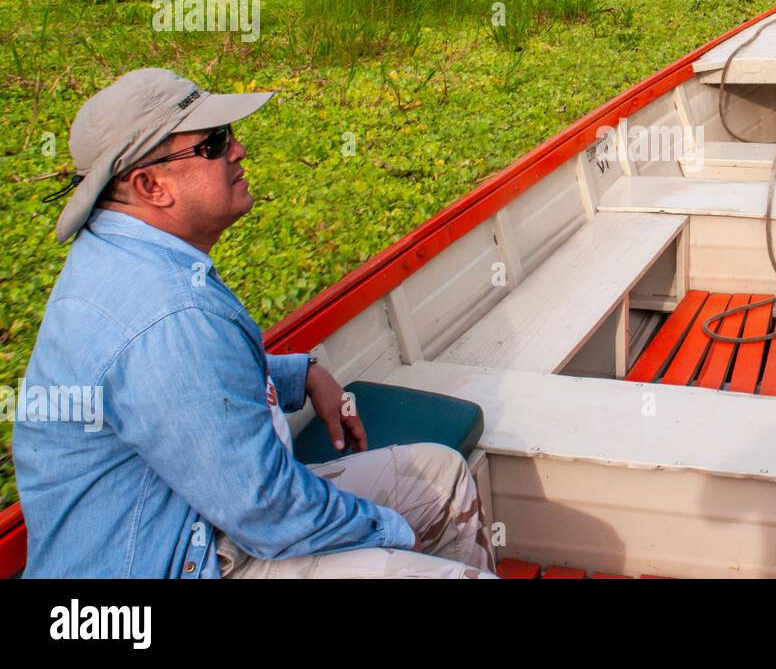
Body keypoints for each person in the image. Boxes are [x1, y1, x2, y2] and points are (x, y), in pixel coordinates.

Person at [14, 68, 497, 578]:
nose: (238, 150)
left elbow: (183, 382)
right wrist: (393, 533)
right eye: (214, 143)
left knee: (442, 479)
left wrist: (300, 373)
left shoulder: (128, 255)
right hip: (180, 560)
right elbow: (269, 510)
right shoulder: (169, 315)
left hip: (203, 518)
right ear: (150, 185)